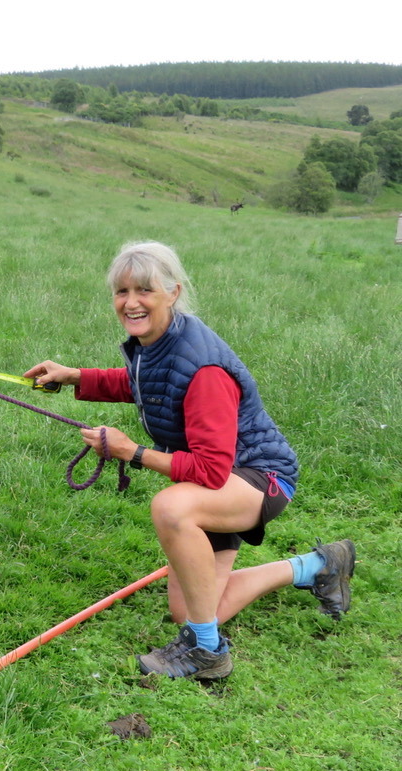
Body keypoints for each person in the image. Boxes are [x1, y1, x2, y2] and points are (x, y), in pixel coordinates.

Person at [24, 241, 355, 680]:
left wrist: (132, 453)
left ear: (173, 292)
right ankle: (319, 565)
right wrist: (75, 377)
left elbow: (211, 471)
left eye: (144, 290)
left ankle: (207, 653)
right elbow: (146, 382)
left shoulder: (205, 370)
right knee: (196, 609)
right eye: (121, 291)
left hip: (260, 478)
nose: (131, 302)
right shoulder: (158, 342)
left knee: (171, 507)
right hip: (224, 480)